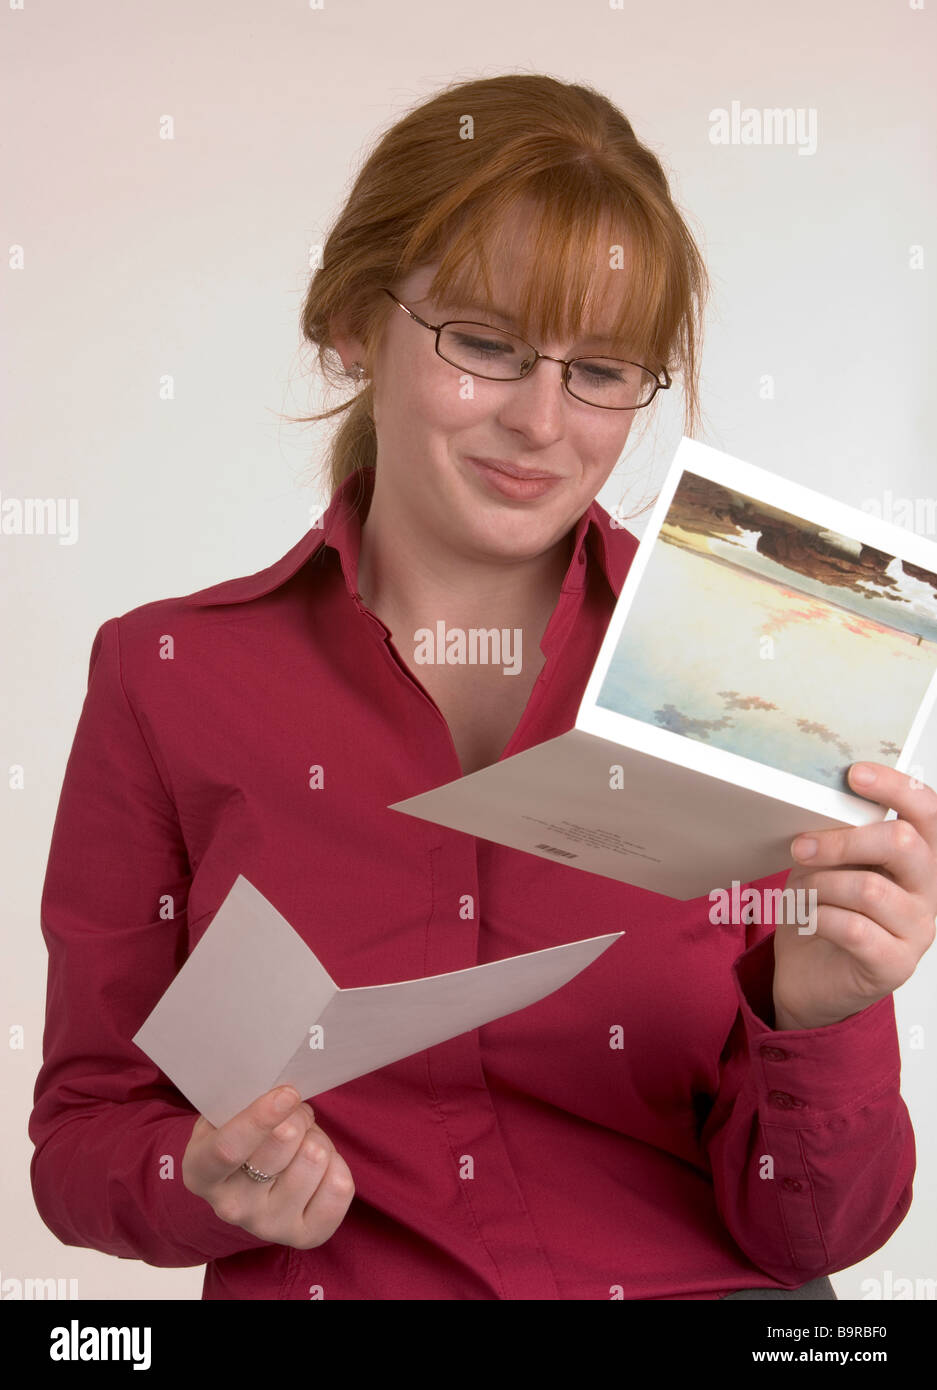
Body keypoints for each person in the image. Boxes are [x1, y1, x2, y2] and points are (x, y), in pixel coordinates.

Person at [29, 73, 934, 1301]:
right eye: (487, 346)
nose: (542, 421)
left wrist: (821, 1014)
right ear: (353, 322)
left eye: (604, 371)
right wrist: (196, 1174)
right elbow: (85, 1131)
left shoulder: (750, 660)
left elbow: (811, 1239)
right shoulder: (167, 677)